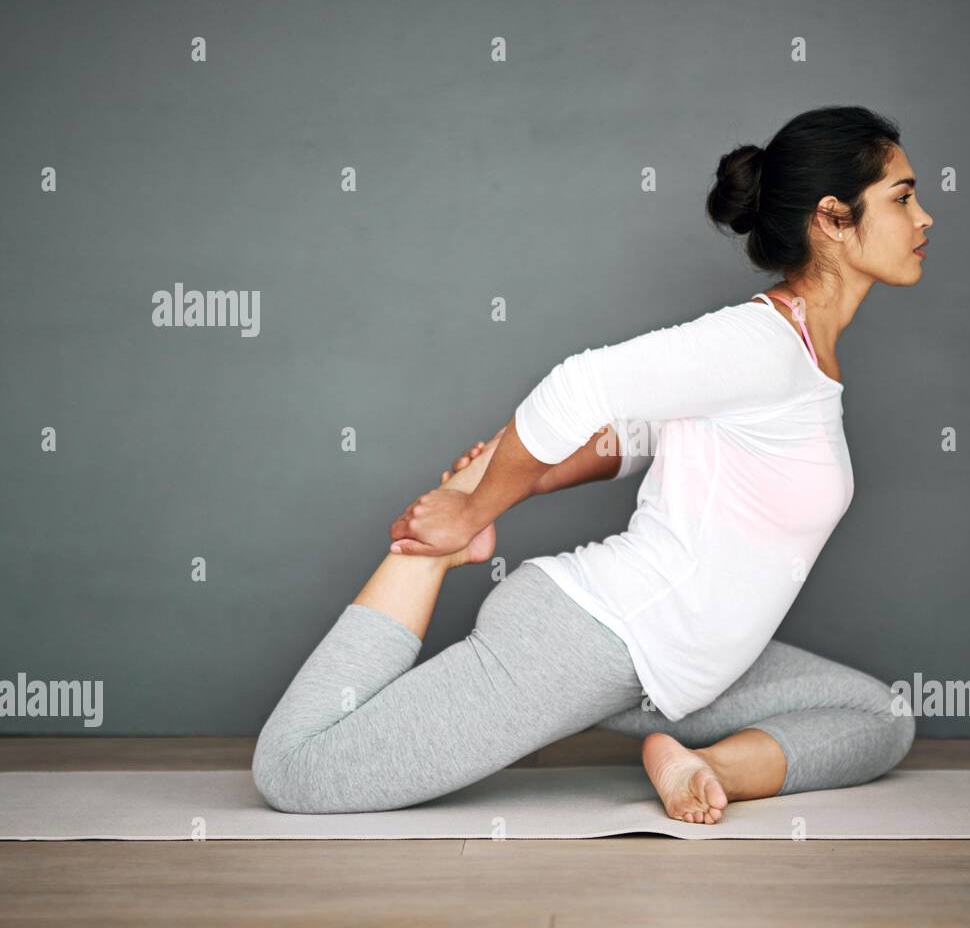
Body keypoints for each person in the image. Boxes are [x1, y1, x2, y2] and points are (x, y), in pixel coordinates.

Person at [252, 105, 935, 823]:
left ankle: (701, 767)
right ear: (832, 217)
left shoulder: (800, 356)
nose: (923, 218)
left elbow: (641, 437)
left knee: (880, 716)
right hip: (594, 639)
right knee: (299, 772)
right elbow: (581, 386)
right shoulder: (760, 343)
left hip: (685, 677)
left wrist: (529, 478)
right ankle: (424, 561)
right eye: (902, 197)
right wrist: (473, 507)